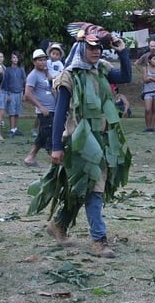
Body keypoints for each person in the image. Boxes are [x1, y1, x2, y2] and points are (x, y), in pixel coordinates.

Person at [36, 23, 131, 258]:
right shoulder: (68, 77)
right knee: (93, 189)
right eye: (91, 47)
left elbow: (126, 76)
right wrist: (56, 146)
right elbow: (59, 114)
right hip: (78, 141)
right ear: (80, 48)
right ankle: (99, 240)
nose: (96, 51)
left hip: (102, 138)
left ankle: (58, 224)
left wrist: (122, 51)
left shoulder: (102, 69)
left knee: (84, 187)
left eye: (99, 47)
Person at [23, 48, 55, 168]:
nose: (42, 62)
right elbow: (27, 94)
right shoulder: (33, 75)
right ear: (34, 62)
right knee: (49, 134)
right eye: (40, 60)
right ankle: (53, 158)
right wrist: (41, 107)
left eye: (44, 60)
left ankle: (30, 157)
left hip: (52, 108)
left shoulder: (46, 74)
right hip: (45, 110)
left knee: (43, 134)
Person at [2, 51, 27, 137]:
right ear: (11, 59)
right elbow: (5, 82)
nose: (15, 59)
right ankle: (12, 129)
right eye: (13, 57)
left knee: (17, 112)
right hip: (11, 93)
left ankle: (15, 129)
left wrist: (24, 93)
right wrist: (7, 94)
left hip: (19, 92)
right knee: (11, 112)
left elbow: (24, 81)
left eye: (16, 57)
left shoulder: (21, 69)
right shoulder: (8, 70)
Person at [140, 52, 155, 132]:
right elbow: (145, 80)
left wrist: (150, 78)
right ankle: (148, 126)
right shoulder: (145, 69)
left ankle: (152, 126)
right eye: (154, 59)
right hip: (147, 92)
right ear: (149, 60)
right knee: (148, 109)